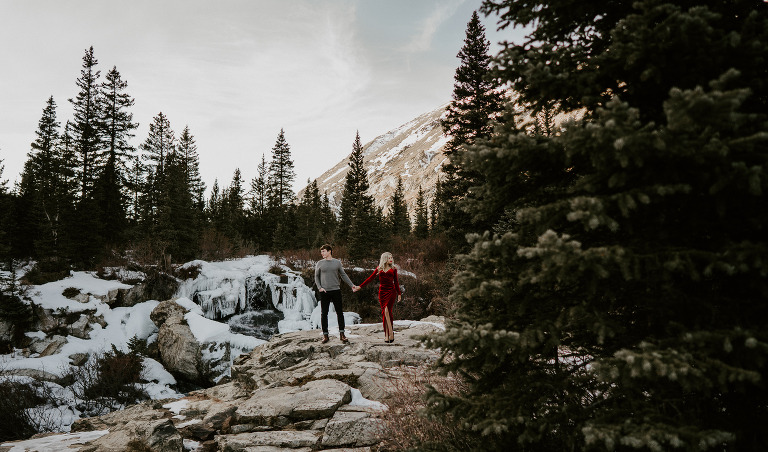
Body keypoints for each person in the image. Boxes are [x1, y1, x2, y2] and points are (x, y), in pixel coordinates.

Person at [314, 244, 356, 344]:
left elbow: (343, 274)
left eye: (323, 251)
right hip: (325, 292)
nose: (322, 253)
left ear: (329, 251)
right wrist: (320, 288)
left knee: (339, 312)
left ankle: (342, 334)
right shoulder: (319, 263)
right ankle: (325, 335)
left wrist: (352, 285)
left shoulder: (337, 262)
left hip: (336, 290)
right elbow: (316, 277)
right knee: (324, 313)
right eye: (321, 252)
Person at [357, 252, 402, 343]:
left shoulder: (394, 269)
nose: (391, 259)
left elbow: (396, 282)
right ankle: (386, 334)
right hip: (382, 292)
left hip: (391, 291)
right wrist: (360, 286)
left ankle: (391, 333)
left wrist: (399, 293)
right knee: (384, 312)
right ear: (385, 259)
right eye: (389, 258)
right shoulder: (379, 268)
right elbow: (370, 278)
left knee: (387, 311)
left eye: (392, 257)